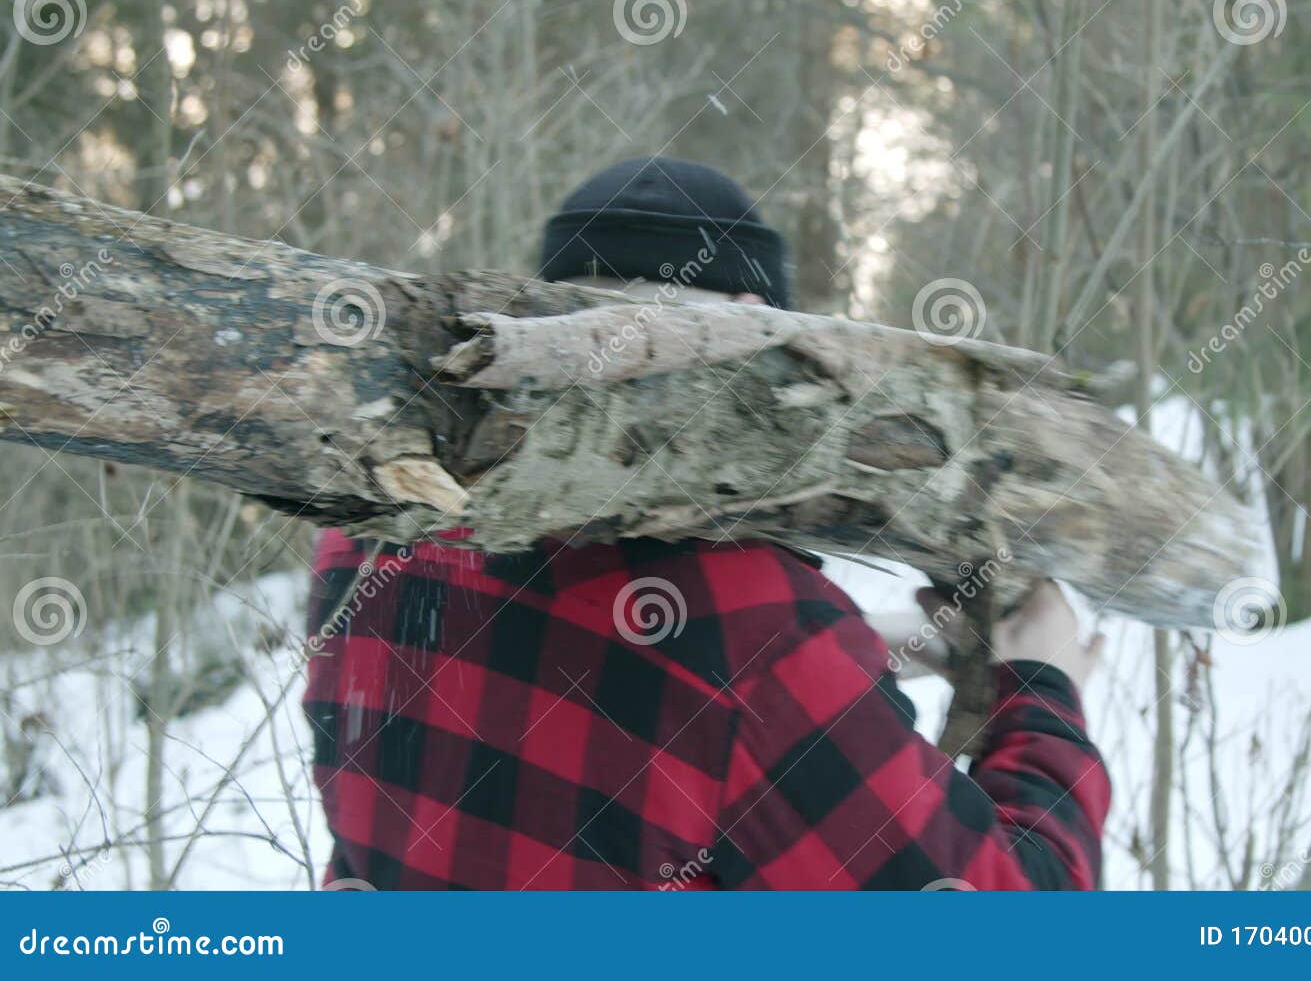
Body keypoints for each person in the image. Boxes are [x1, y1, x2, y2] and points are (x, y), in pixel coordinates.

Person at [302, 156, 1110, 890]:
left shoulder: (368, 539)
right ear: (759, 327)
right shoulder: (761, 639)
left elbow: (581, 672)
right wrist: (1045, 687)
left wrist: (862, 662)